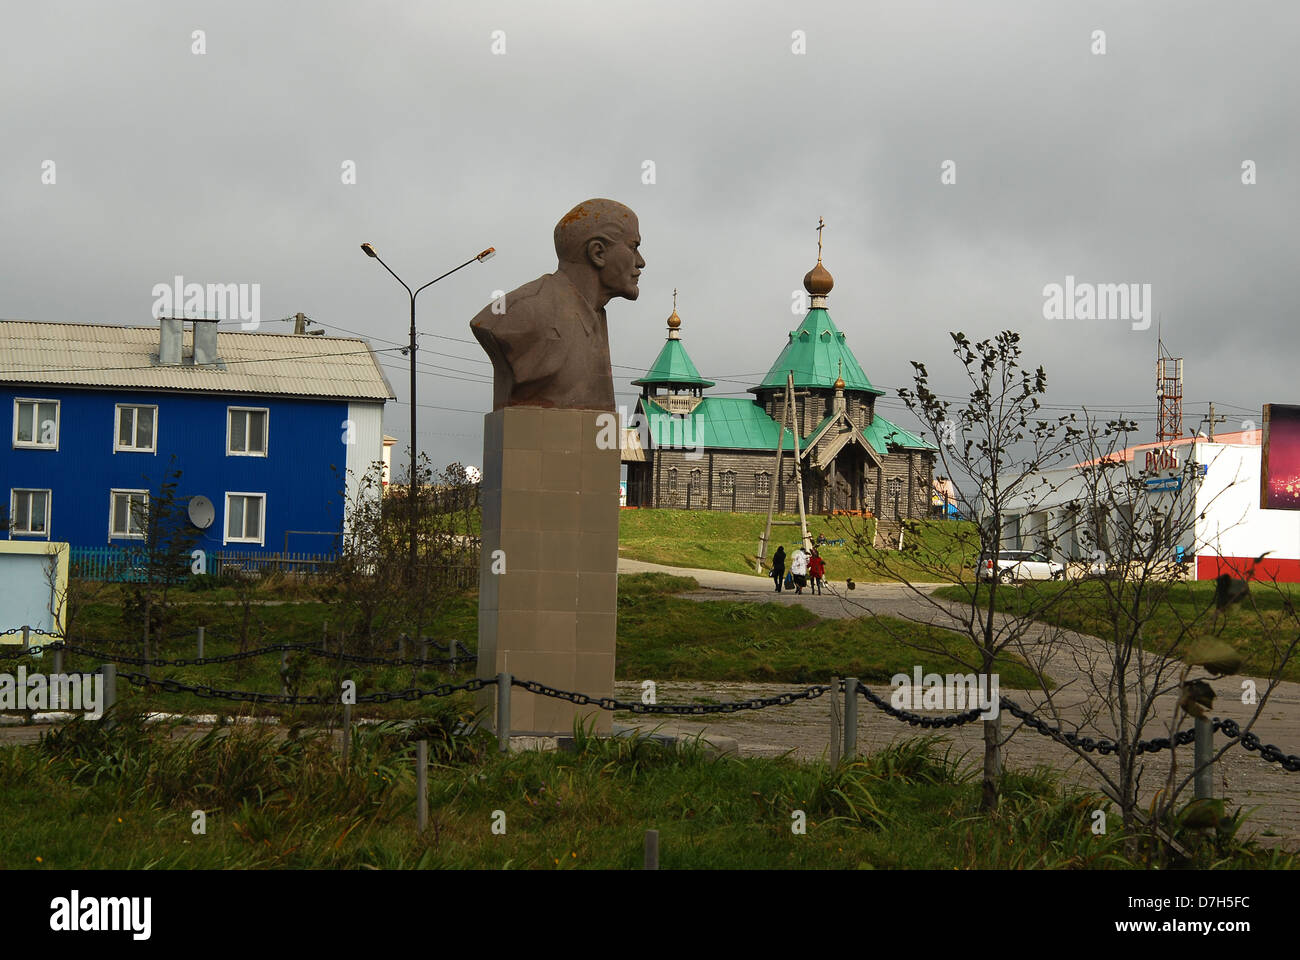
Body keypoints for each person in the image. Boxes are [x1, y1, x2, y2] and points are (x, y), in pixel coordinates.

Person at [470, 198, 645, 411]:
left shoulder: (595, 315)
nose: (640, 261)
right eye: (633, 247)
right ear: (597, 253)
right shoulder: (519, 315)